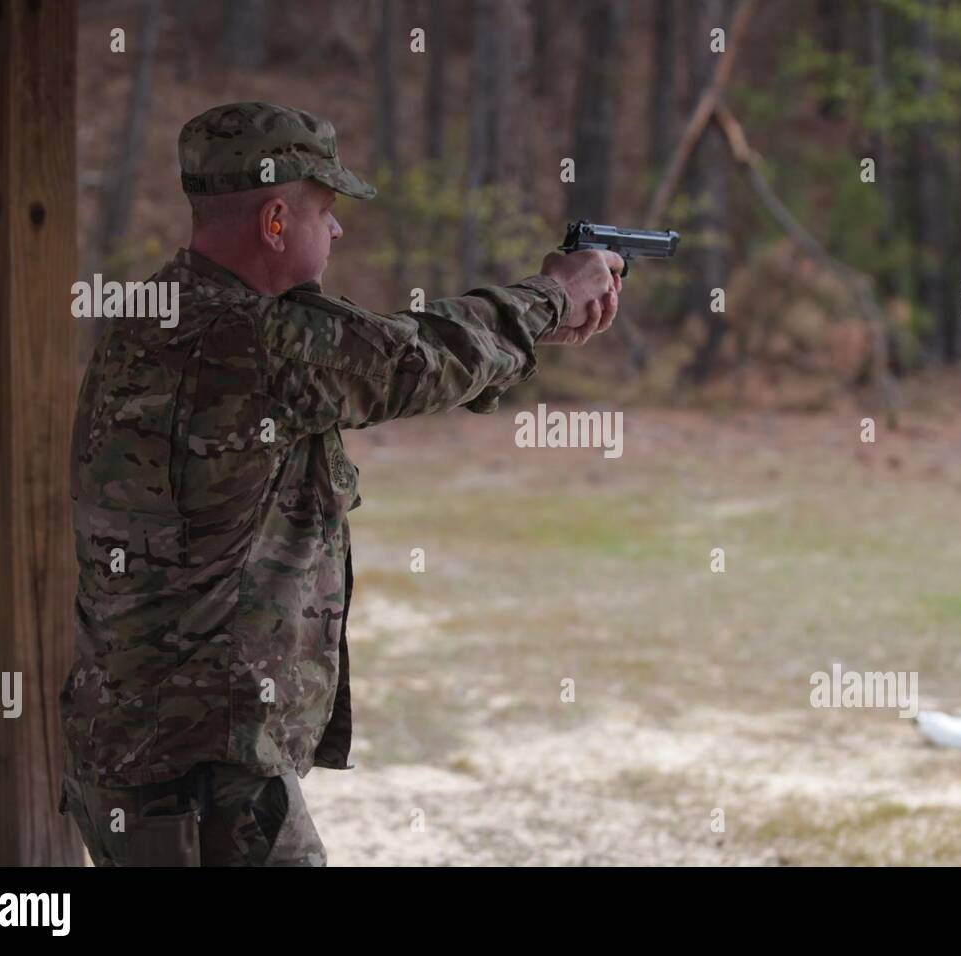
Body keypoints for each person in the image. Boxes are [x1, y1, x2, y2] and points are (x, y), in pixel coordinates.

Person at [57, 101, 623, 866]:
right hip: (204, 772)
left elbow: (392, 359)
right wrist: (553, 295)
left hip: (134, 748)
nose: (339, 229)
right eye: (326, 210)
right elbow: (413, 357)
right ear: (276, 220)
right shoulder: (257, 340)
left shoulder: (149, 319)